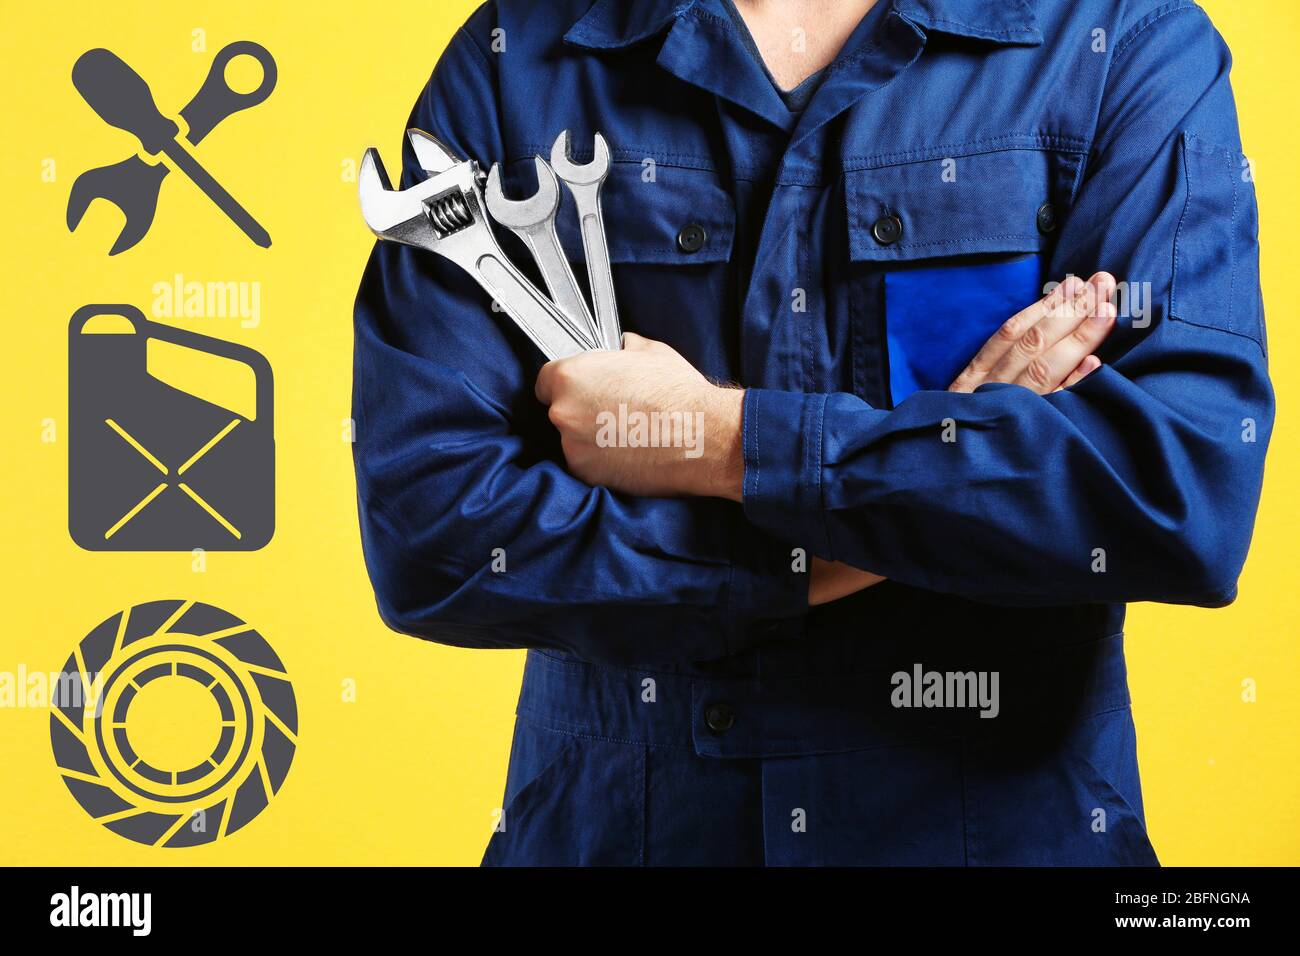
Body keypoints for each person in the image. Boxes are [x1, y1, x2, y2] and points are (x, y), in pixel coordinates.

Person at [352, 0, 1272, 865]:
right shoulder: (518, 57)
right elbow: (436, 536)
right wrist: (913, 497)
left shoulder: (1122, 42)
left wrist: (714, 441)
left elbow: (1179, 498)